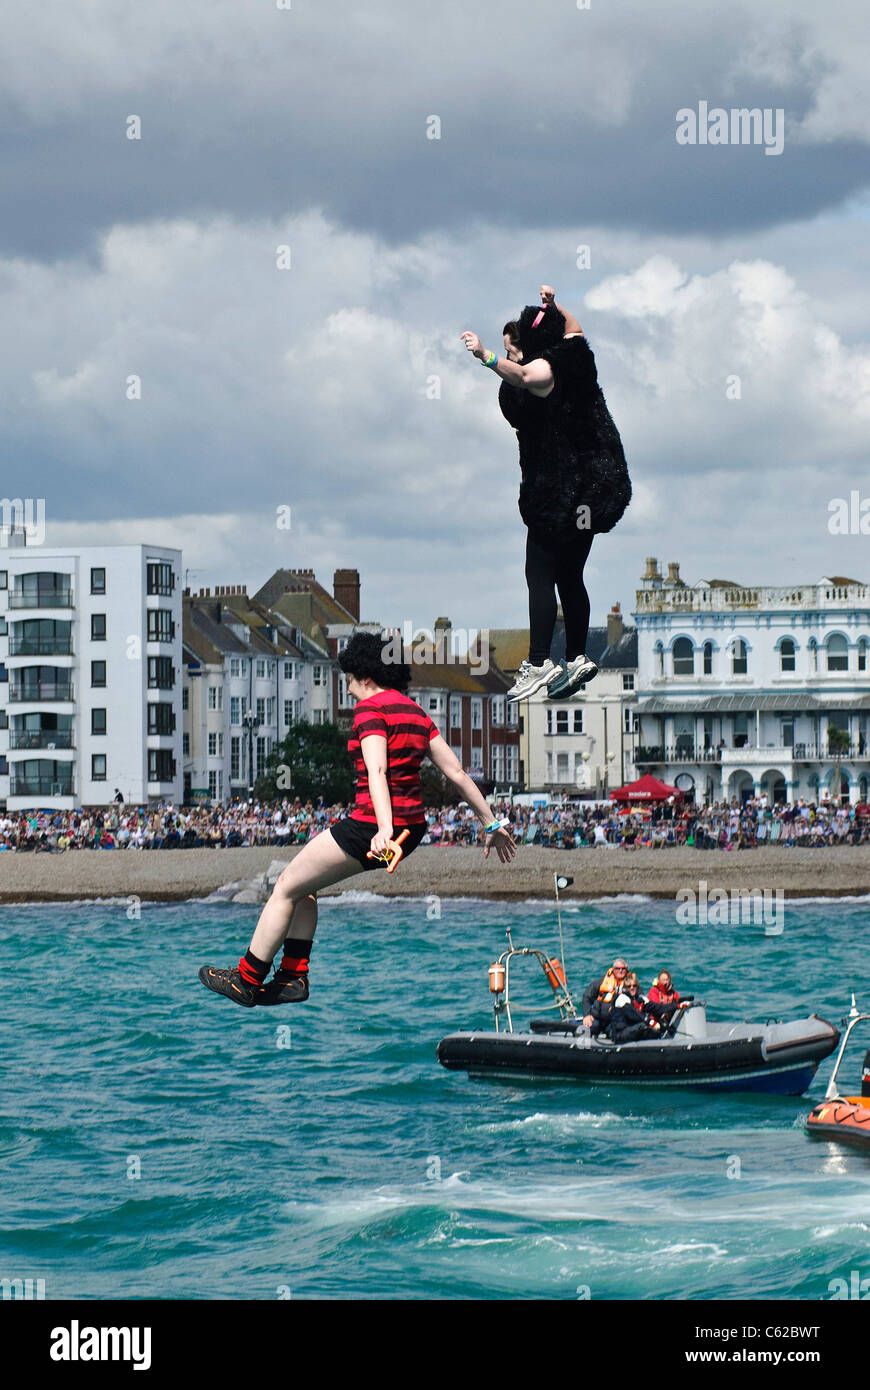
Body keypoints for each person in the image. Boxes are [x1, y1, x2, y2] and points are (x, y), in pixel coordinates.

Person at [199, 632, 517, 1008]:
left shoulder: (371, 709)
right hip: (411, 830)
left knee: (283, 885)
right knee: (303, 887)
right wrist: (492, 824)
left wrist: (382, 830)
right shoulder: (415, 712)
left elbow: (377, 770)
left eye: (349, 681)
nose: (348, 691)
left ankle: (247, 979)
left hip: (374, 827)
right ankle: (292, 977)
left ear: (366, 676)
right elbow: (459, 774)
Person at [461, 284, 630, 702]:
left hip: (558, 495)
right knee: (571, 574)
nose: (513, 354)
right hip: (595, 489)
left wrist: (485, 355)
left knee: (538, 573)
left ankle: (539, 661)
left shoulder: (542, 374)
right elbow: (574, 327)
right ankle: (576, 656)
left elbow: (521, 374)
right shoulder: (576, 354)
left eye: (515, 346)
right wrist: (553, 306)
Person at [609, 973, 663, 1043]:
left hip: (631, 1029)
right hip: (619, 1034)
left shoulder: (639, 998)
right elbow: (633, 1015)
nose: (632, 988)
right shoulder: (622, 998)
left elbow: (656, 1007)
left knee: (655, 1030)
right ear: (625, 988)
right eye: (629, 986)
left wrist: (677, 1005)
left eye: (634, 985)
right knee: (643, 1027)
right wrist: (650, 1022)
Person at [581, 957, 629, 1033]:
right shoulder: (601, 982)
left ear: (626, 970)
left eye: (623, 969)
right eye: (617, 968)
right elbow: (586, 997)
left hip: (615, 1021)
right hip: (597, 1018)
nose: (620, 971)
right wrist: (587, 1015)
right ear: (613, 969)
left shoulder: (631, 985)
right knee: (590, 1028)